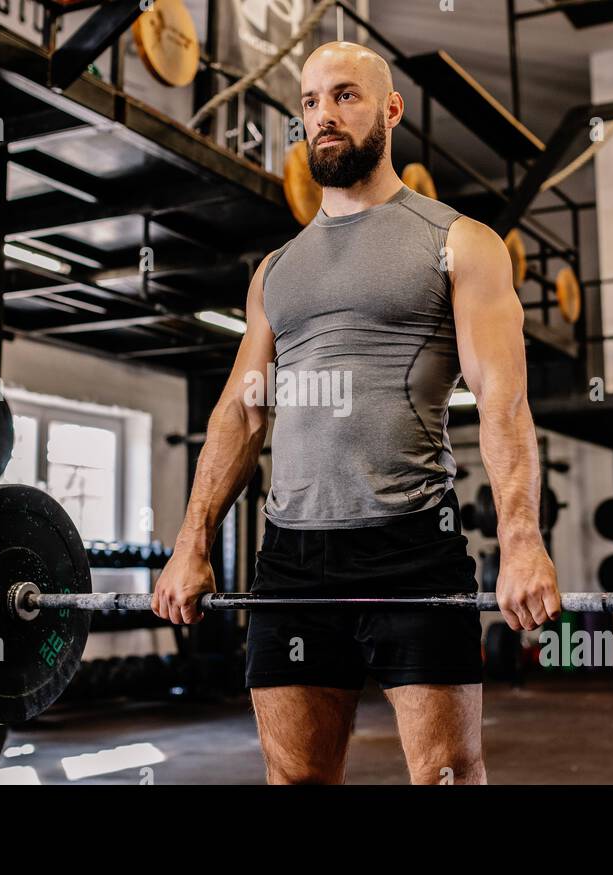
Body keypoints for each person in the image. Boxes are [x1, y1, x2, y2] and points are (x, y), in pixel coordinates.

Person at [152, 41, 560, 784]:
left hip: (411, 547)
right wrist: (192, 539)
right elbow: (241, 415)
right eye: (309, 103)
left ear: (391, 110)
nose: (323, 116)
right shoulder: (275, 270)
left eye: (344, 96)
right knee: (296, 779)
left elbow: (503, 400)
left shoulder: (459, 242)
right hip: (292, 559)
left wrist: (521, 538)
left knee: (447, 774)